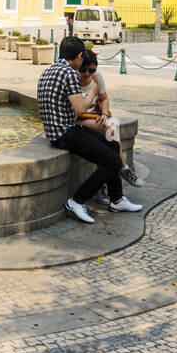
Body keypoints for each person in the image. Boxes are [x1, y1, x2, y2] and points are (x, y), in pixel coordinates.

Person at [37, 36, 142, 224]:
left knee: (111, 145)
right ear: (78, 56)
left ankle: (116, 199)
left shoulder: (50, 70)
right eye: (81, 59)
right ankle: (77, 201)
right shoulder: (68, 73)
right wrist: (93, 93)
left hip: (60, 130)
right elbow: (80, 109)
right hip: (65, 133)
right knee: (113, 160)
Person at [75, 50, 144, 199]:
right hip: (80, 118)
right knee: (110, 130)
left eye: (91, 70)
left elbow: (105, 99)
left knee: (109, 139)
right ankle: (124, 168)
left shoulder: (97, 76)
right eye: (83, 70)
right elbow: (78, 109)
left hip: (96, 115)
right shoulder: (72, 78)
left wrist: (105, 114)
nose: (87, 73)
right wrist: (91, 95)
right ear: (78, 66)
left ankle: (103, 185)